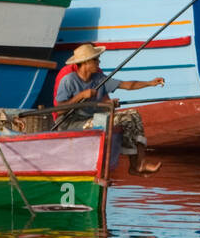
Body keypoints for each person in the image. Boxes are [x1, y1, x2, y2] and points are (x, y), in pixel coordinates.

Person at [54, 43, 164, 174]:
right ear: (85, 63)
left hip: (91, 119)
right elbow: (59, 109)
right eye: (95, 59)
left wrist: (150, 83)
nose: (98, 62)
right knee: (112, 120)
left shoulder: (99, 78)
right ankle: (135, 164)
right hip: (71, 123)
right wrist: (80, 96)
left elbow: (127, 85)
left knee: (133, 115)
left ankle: (138, 163)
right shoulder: (69, 80)